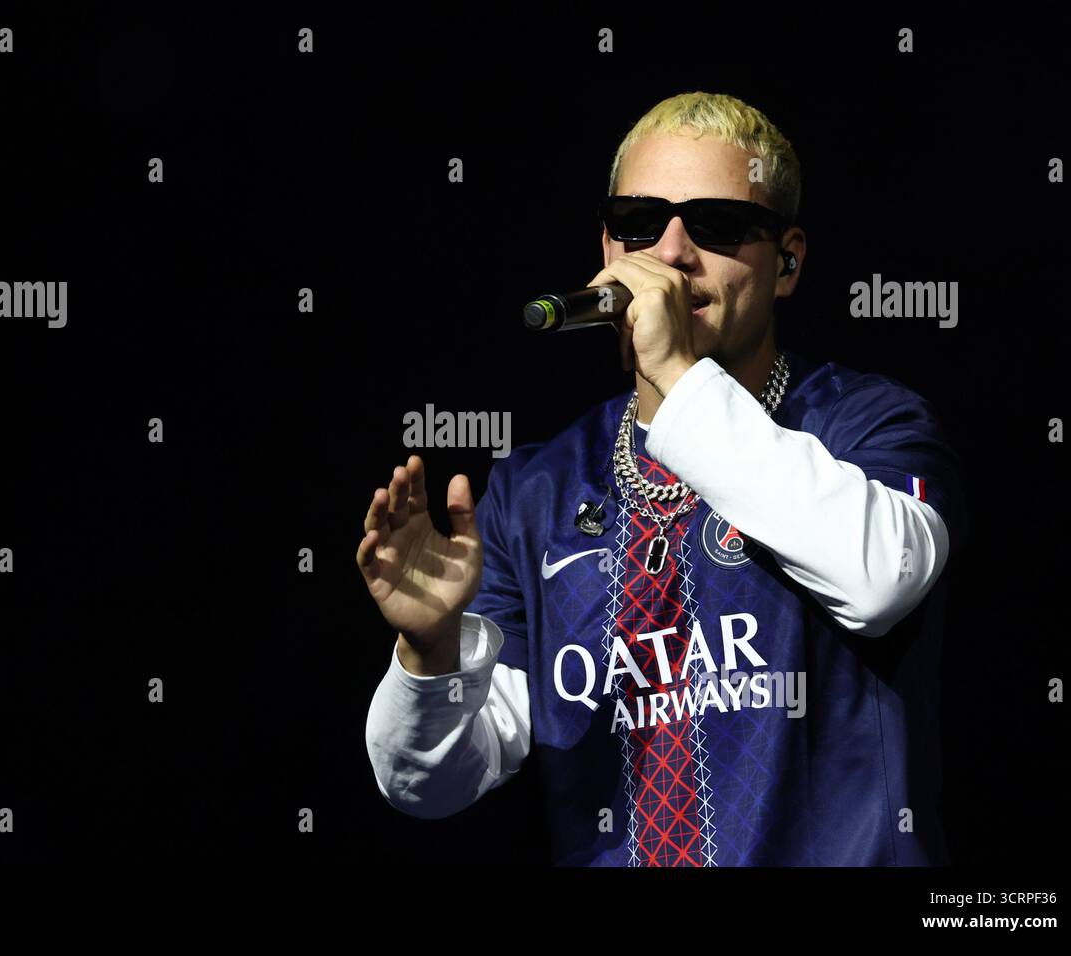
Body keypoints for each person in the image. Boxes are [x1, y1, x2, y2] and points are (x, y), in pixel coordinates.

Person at [357, 91, 967, 866]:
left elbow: (880, 577)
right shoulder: (533, 492)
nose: (672, 254)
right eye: (640, 223)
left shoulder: (869, 424)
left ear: (787, 262)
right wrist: (431, 651)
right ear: (608, 246)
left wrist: (674, 373)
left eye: (714, 225)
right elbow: (432, 784)